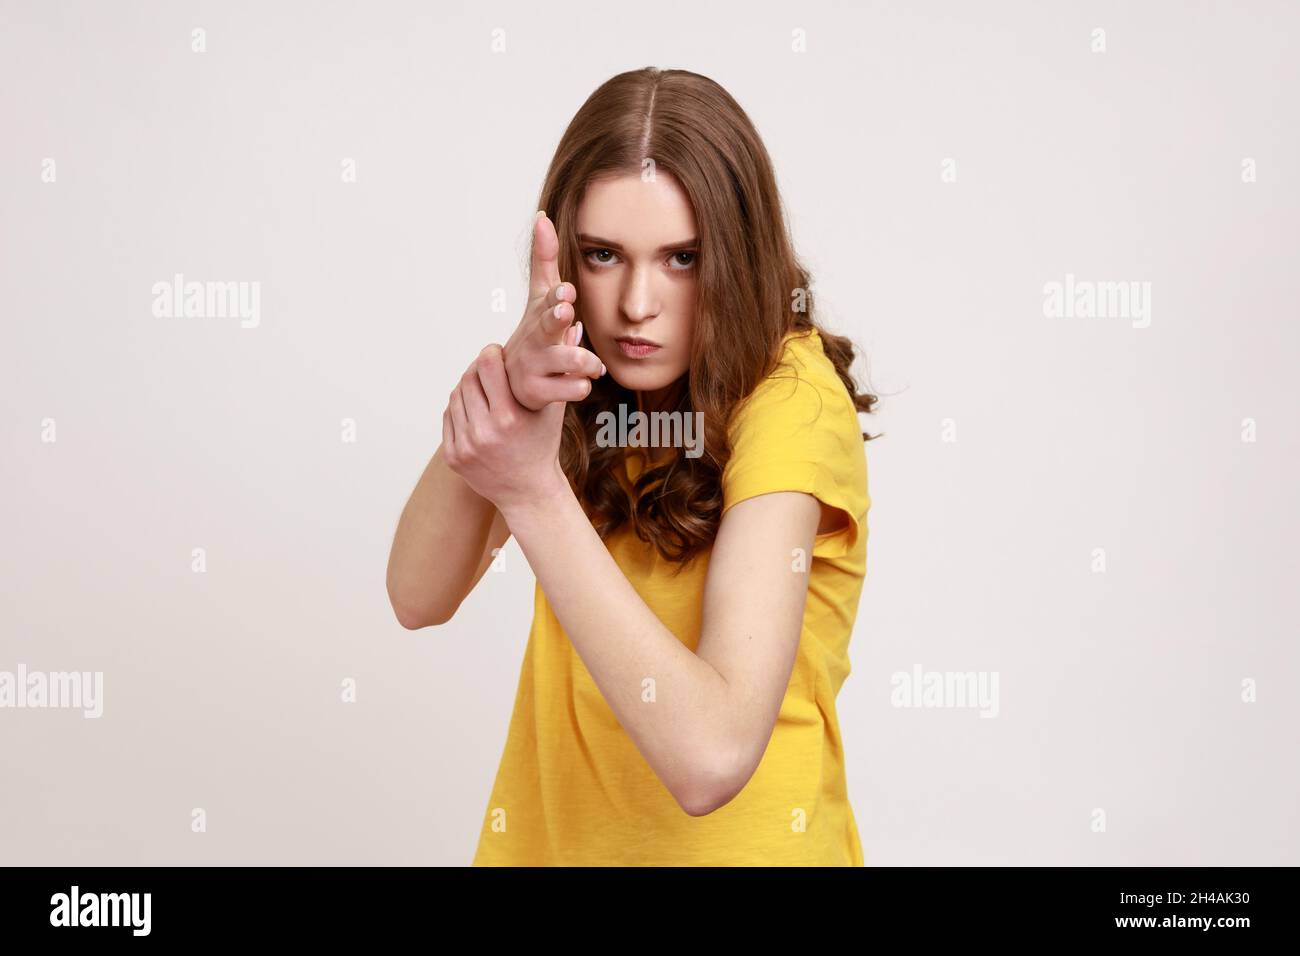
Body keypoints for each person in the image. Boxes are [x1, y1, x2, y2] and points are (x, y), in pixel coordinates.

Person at [386, 67, 879, 866]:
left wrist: (534, 492)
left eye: (682, 258)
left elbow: (711, 760)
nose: (637, 303)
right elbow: (415, 594)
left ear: (739, 254)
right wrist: (507, 385)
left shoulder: (791, 401)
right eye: (605, 254)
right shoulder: (577, 380)